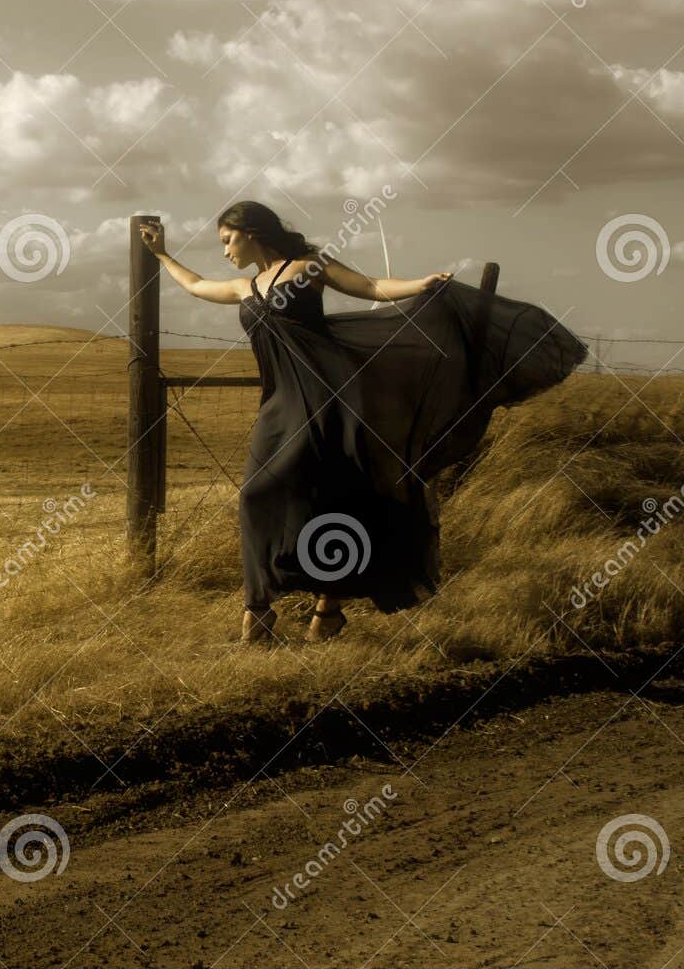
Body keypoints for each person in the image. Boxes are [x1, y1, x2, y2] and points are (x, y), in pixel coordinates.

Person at [139, 201, 587, 645]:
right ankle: (260, 605)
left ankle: (319, 610)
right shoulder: (245, 287)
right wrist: (161, 254)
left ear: (251, 232)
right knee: (257, 495)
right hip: (279, 406)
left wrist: (420, 284)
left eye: (227, 240)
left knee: (337, 499)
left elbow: (370, 287)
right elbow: (197, 286)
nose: (224, 252)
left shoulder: (310, 266)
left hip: (329, 398)